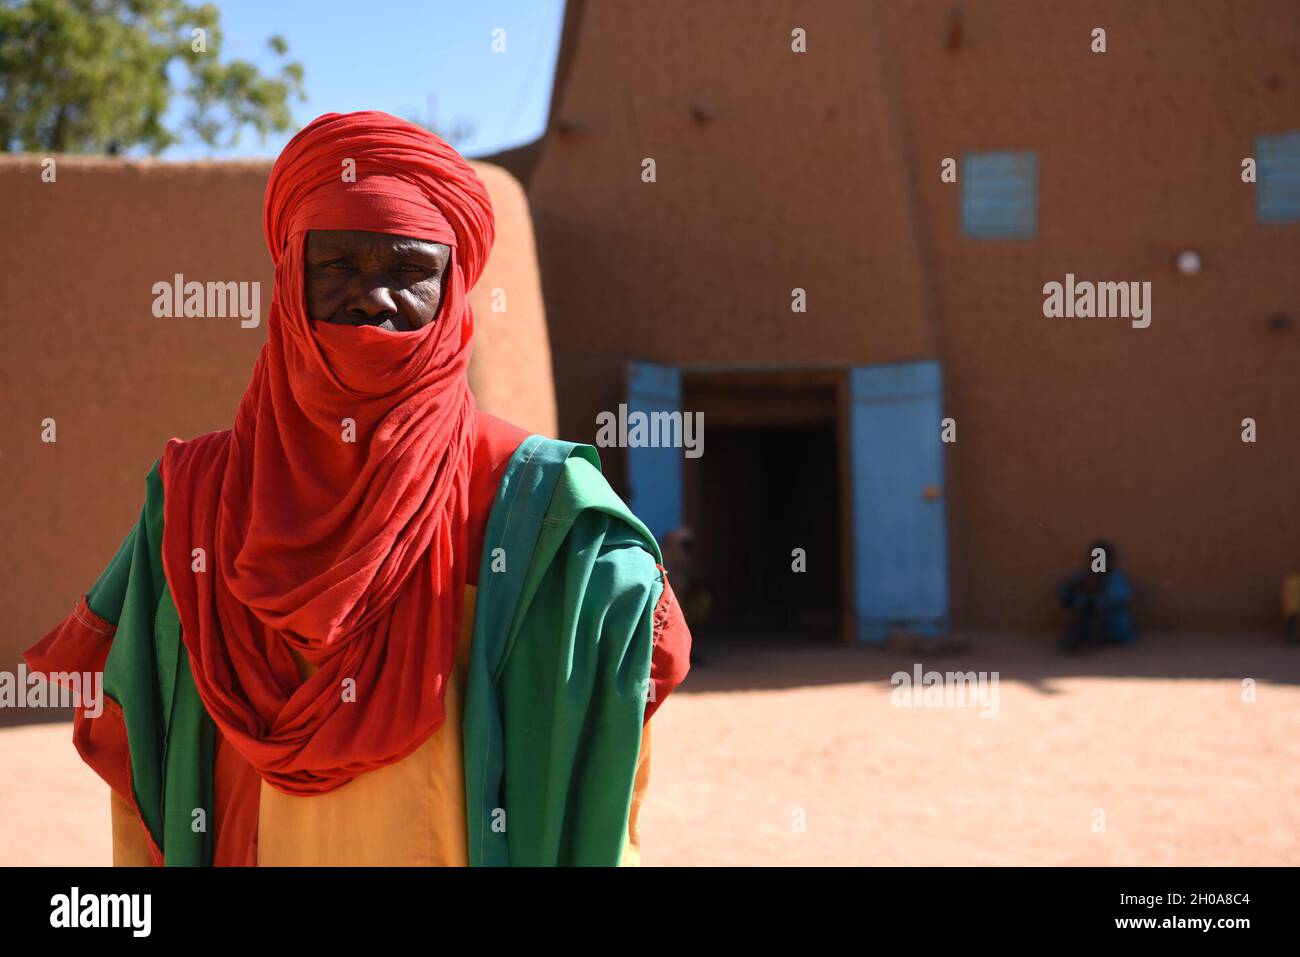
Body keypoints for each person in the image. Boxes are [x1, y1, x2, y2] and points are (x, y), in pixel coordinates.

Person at [23, 111, 691, 867]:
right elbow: (144, 732)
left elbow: (617, 697)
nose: (372, 298)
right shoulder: (198, 502)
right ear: (289, 279)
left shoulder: (531, 501)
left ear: (454, 293)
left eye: (407, 270)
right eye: (338, 265)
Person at [1057, 539, 1134, 653]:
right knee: (1084, 602)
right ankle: (1073, 640)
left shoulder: (1115, 578)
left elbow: (1119, 599)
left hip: (1113, 628)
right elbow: (1064, 598)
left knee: (1091, 603)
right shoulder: (1084, 577)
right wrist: (1074, 587)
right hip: (1087, 629)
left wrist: (1100, 589)